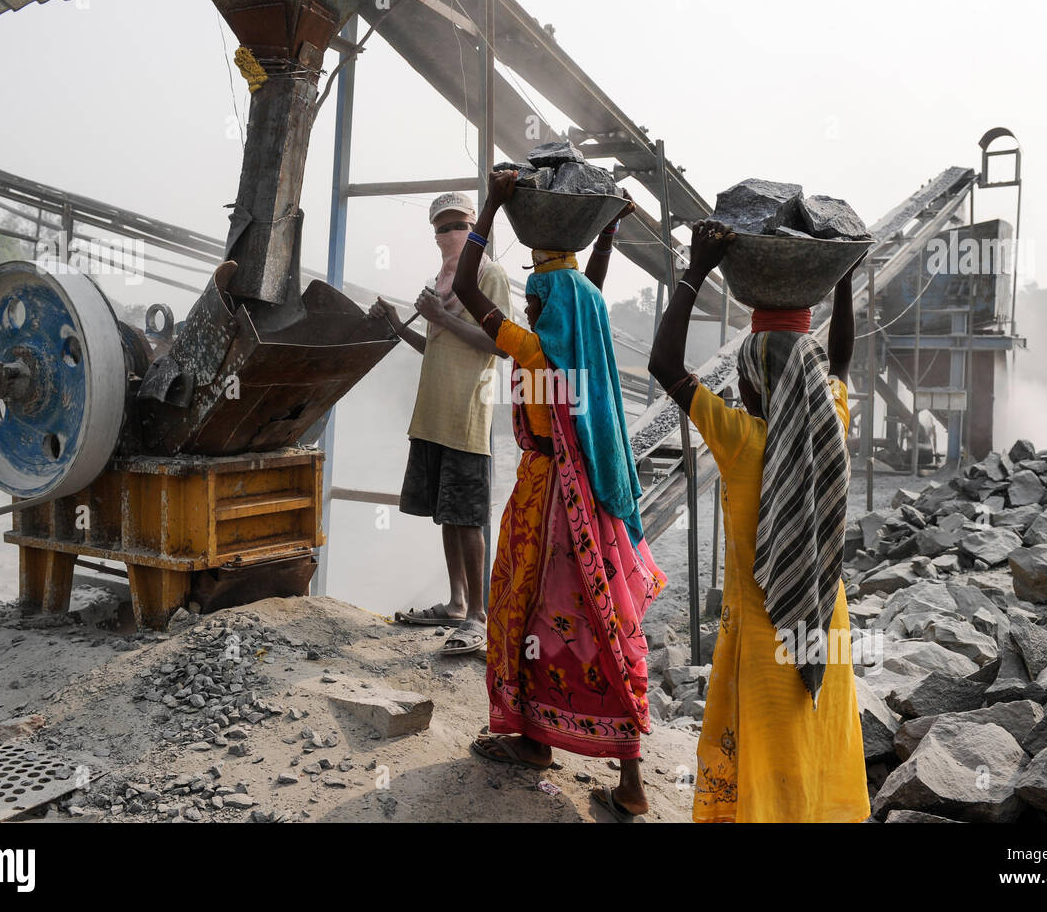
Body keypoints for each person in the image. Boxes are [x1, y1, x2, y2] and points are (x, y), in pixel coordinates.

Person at [449, 169, 667, 821]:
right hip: (584, 495)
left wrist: (489, 205)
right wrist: (607, 232)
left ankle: (546, 745)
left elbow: (464, 285)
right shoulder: (574, 340)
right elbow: (586, 294)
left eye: (536, 299)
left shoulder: (536, 349)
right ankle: (559, 748)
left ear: (548, 306)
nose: (531, 308)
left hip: (546, 499)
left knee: (528, 612)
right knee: (595, 620)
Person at [647, 219, 869, 823]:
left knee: (767, 762)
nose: (739, 384)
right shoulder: (832, 425)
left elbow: (664, 363)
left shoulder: (742, 439)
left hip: (764, 625)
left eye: (745, 373)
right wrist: (844, 275)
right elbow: (840, 361)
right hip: (824, 618)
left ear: (763, 379)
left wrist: (696, 268)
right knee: (814, 748)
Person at [370, 191, 511, 657]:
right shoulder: (442, 280)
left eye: (458, 225)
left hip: (468, 411)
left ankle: (477, 615)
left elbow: (500, 344)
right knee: (447, 512)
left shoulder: (488, 275)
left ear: (473, 227)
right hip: (434, 411)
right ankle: (456, 603)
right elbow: (435, 348)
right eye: (442, 227)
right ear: (434, 234)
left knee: (468, 517)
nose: (450, 234)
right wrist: (397, 322)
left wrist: (438, 318)